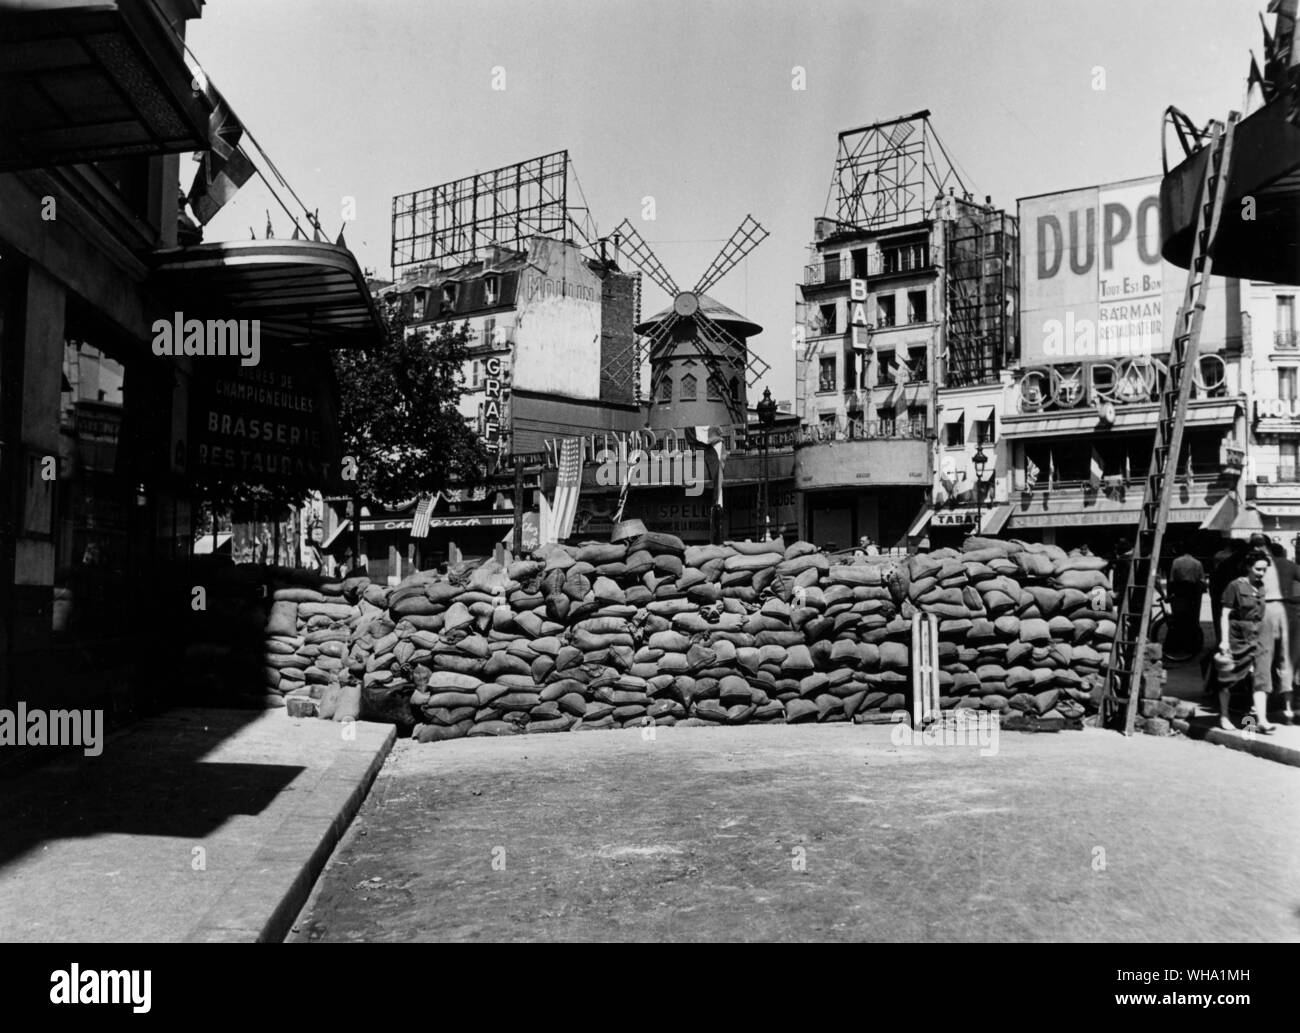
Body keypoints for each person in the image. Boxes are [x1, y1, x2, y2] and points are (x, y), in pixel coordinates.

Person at [1216, 548, 1281, 733]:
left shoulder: (1260, 586)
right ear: (1248, 567)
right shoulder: (1235, 586)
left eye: (1264, 570)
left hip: (1259, 636)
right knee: (1229, 677)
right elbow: (1225, 614)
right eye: (1258, 569)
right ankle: (1224, 716)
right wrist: (1224, 641)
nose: (1261, 573)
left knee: (1261, 676)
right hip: (1238, 636)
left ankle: (1262, 720)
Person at [1167, 542, 1206, 657]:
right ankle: (1191, 646)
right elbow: (1201, 580)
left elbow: (1172, 579)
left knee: (1178, 620)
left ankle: (1178, 646)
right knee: (1193, 620)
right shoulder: (1197, 563)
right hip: (1193, 593)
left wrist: (1169, 594)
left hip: (1179, 593)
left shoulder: (1176, 562)